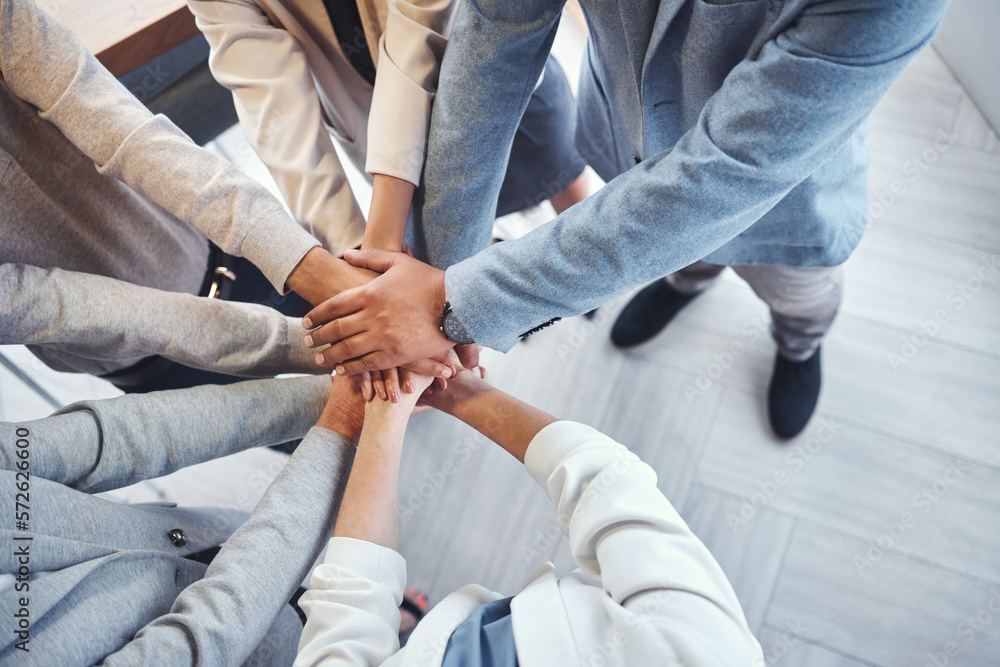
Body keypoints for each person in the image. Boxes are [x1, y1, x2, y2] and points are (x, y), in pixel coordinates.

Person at [297, 0, 951, 438]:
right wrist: (445, 269)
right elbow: (497, 27)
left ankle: (798, 345)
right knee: (680, 255)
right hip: (632, 138)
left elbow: (729, 169)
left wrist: (450, 302)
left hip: (786, 202)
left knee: (801, 299)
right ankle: (683, 283)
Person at [0, 0, 452, 399]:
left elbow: (120, 128)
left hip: (217, 246)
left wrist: (363, 269)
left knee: (380, 385)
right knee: (323, 426)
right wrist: (362, 289)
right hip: (129, 346)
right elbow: (37, 301)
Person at [294, 364, 763, 665]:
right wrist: (455, 388)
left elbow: (344, 623)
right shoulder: (707, 651)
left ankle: (408, 631)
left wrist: (389, 404)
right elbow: (606, 485)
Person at [0, 374, 363, 665]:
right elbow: (200, 644)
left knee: (351, 600)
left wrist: (330, 394)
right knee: (348, 637)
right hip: (265, 646)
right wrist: (342, 424)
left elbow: (106, 441)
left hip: (201, 547)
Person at [186, 0, 590, 259]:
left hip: (485, 68)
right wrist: (355, 249)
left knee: (556, 168)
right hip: (368, 111)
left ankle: (584, 264)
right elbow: (270, 99)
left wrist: (381, 238)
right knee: (447, 236)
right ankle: (493, 271)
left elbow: (421, 22)